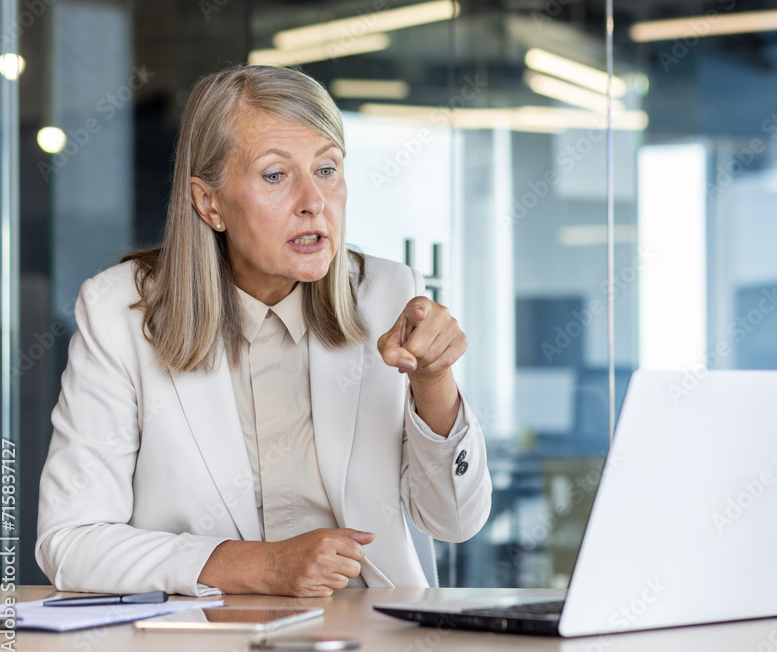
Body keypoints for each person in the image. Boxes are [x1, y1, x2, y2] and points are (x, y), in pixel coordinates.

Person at [35, 65, 492, 597]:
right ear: (209, 203)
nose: (313, 201)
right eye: (276, 175)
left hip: (371, 637)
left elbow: (456, 522)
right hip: (203, 642)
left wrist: (433, 381)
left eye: (327, 169)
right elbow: (70, 542)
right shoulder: (119, 312)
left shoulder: (389, 294)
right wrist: (258, 566)